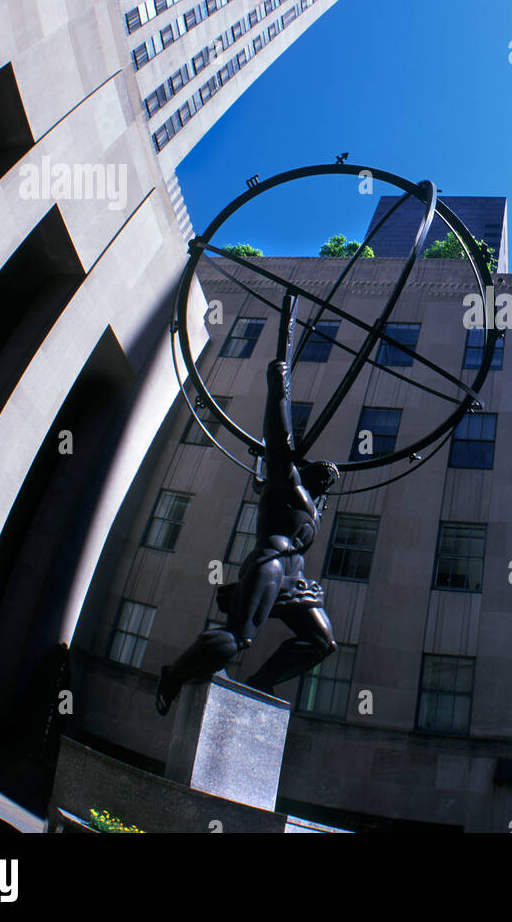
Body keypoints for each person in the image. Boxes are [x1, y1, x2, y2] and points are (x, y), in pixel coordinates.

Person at [156, 295, 340, 714]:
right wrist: (279, 387)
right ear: (308, 471)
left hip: (298, 583)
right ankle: (175, 673)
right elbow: (279, 439)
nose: (331, 474)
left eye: (332, 477)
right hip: (271, 566)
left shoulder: (313, 506)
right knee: (240, 636)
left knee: (321, 643)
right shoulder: (286, 484)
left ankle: (258, 685)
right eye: (325, 471)